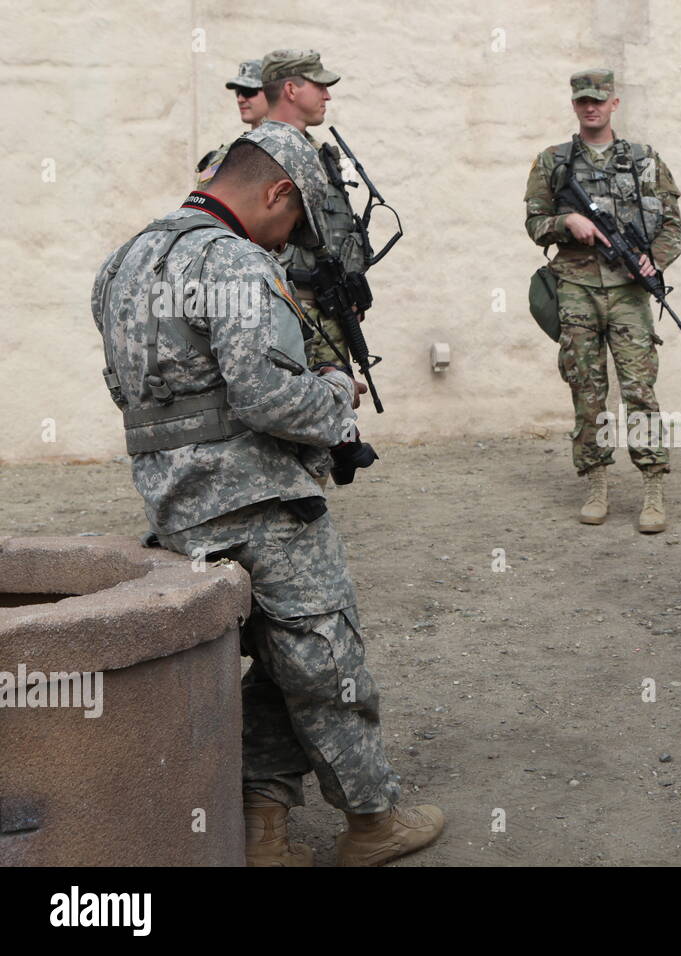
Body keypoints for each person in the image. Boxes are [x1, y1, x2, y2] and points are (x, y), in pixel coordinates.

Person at [91, 122, 443, 866]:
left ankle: (265, 830)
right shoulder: (236, 264)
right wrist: (335, 394)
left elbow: (128, 390)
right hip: (263, 504)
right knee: (326, 661)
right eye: (294, 224)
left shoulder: (122, 262)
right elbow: (266, 396)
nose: (288, 244)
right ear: (277, 191)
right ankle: (373, 824)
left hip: (176, 511)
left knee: (273, 665)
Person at [524, 68, 681, 532]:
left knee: (639, 390)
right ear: (575, 105)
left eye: (599, 100)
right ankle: (596, 482)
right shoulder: (552, 161)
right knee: (586, 389)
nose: (591, 107)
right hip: (574, 287)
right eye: (583, 101)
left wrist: (656, 261)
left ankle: (652, 484)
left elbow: (672, 222)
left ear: (614, 103)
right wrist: (565, 223)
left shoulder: (644, 160)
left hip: (629, 291)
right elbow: (534, 222)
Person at [260, 49, 368, 373]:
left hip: (333, 309)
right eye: (318, 86)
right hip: (289, 314)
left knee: (341, 412)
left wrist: (352, 284)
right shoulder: (258, 155)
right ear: (291, 90)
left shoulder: (322, 154)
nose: (327, 95)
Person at [195, 59, 268, 188]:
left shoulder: (292, 148)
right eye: (238, 92)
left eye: (248, 91)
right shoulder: (231, 152)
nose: (240, 99)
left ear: (271, 92)